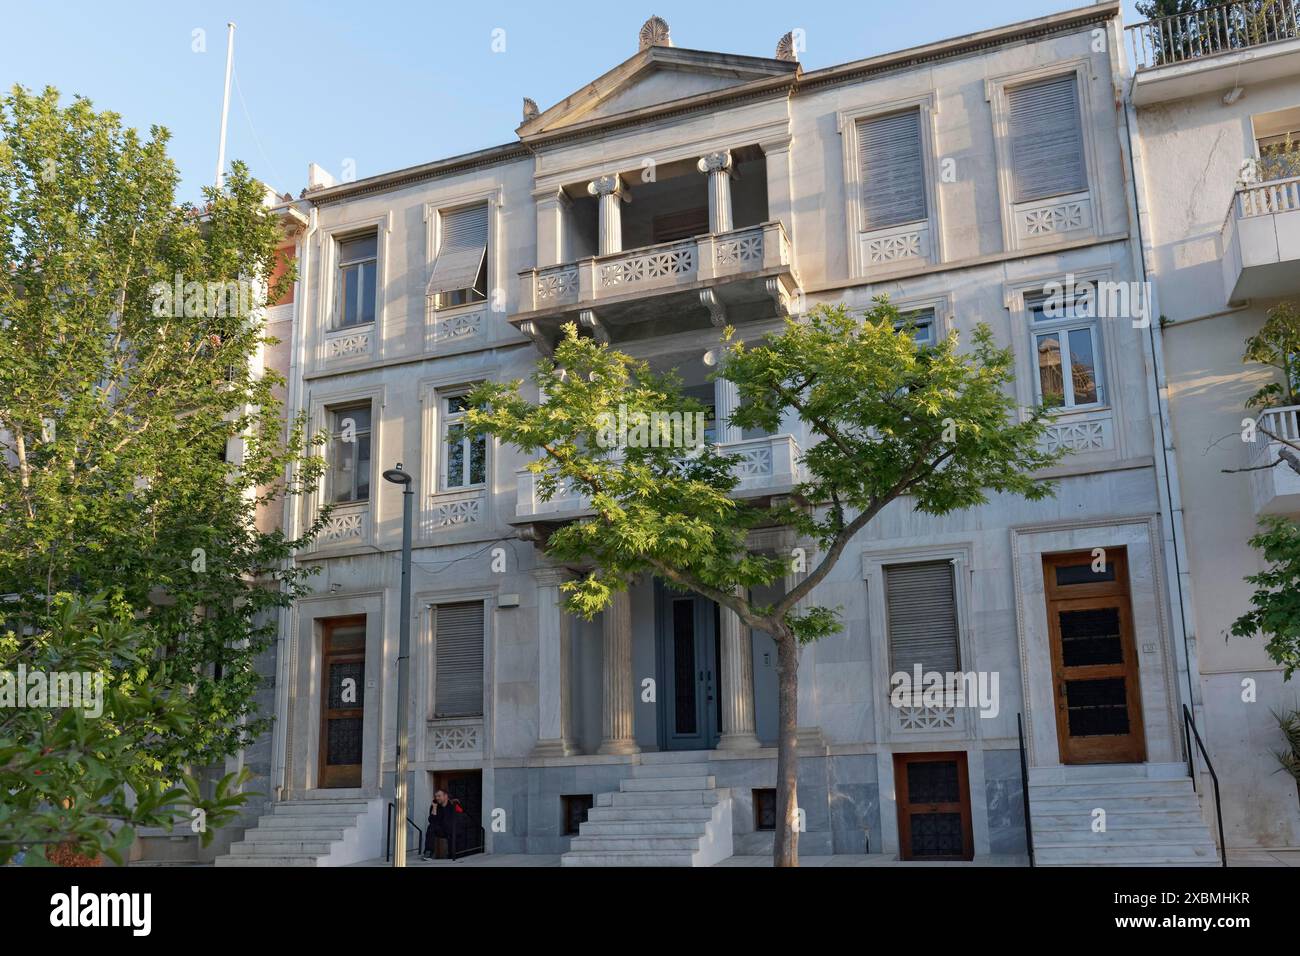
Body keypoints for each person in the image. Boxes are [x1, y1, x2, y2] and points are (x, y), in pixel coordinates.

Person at [422, 789, 465, 859]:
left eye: (439, 796)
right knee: (431, 827)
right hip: (442, 830)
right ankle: (428, 852)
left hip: (453, 830)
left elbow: (462, 814)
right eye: (436, 796)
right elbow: (432, 821)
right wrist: (434, 808)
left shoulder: (453, 804)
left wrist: (457, 804)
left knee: (454, 853)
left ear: (446, 796)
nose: (437, 798)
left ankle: (454, 855)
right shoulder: (434, 806)